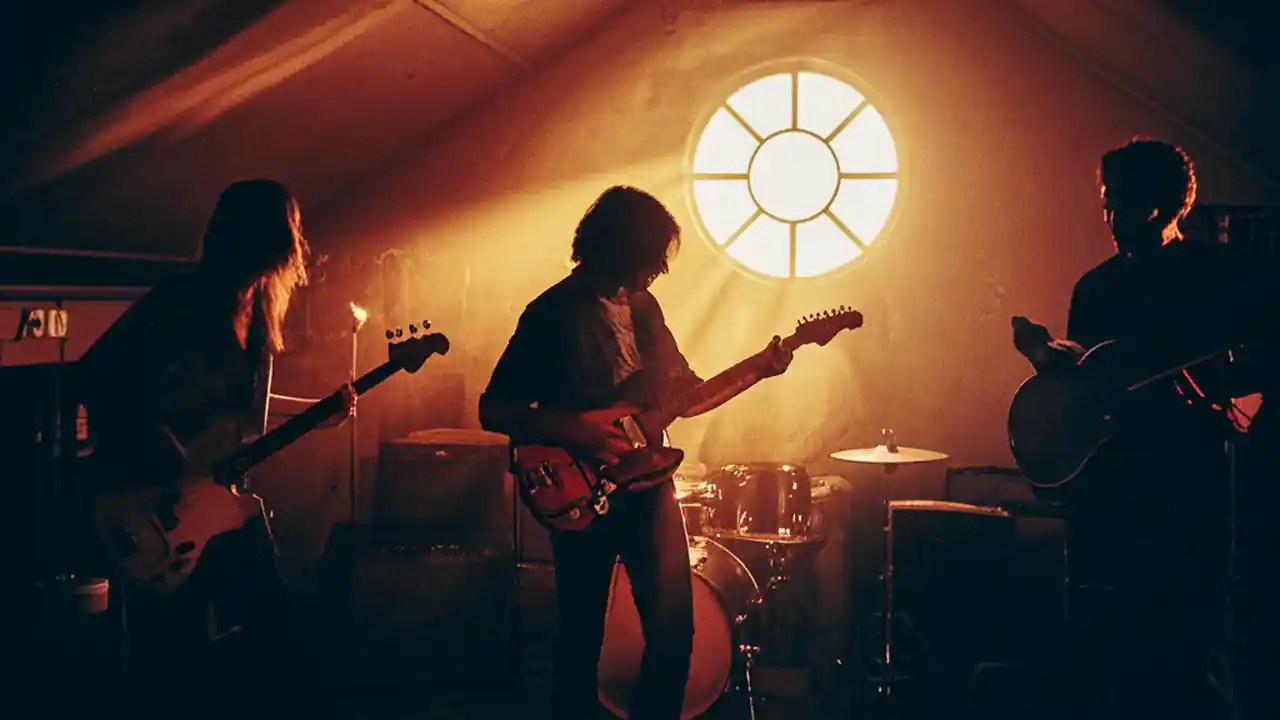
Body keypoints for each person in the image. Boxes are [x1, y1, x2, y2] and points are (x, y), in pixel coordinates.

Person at [479, 186, 794, 719]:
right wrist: (574, 427)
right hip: (578, 491)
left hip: (647, 488)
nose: (658, 270)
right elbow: (494, 408)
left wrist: (760, 368)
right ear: (618, 246)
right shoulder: (552, 312)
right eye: (651, 255)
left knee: (674, 633)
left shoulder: (645, 309)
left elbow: (684, 397)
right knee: (580, 640)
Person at [1012, 138, 1276, 718]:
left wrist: (1223, 394)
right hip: (1113, 486)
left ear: (1161, 207)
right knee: (1112, 644)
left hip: (1191, 484)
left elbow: (1256, 372)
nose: (1109, 218)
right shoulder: (1096, 287)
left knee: (1193, 639)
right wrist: (1050, 359)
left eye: (1123, 204)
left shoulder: (1221, 274)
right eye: (1106, 203)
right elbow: (1088, 386)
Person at [70, 179, 354, 698]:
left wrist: (317, 415)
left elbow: (244, 423)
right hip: (158, 503)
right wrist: (169, 460)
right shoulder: (178, 303)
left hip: (219, 503)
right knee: (178, 653)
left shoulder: (262, 318)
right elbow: (94, 377)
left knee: (272, 631)